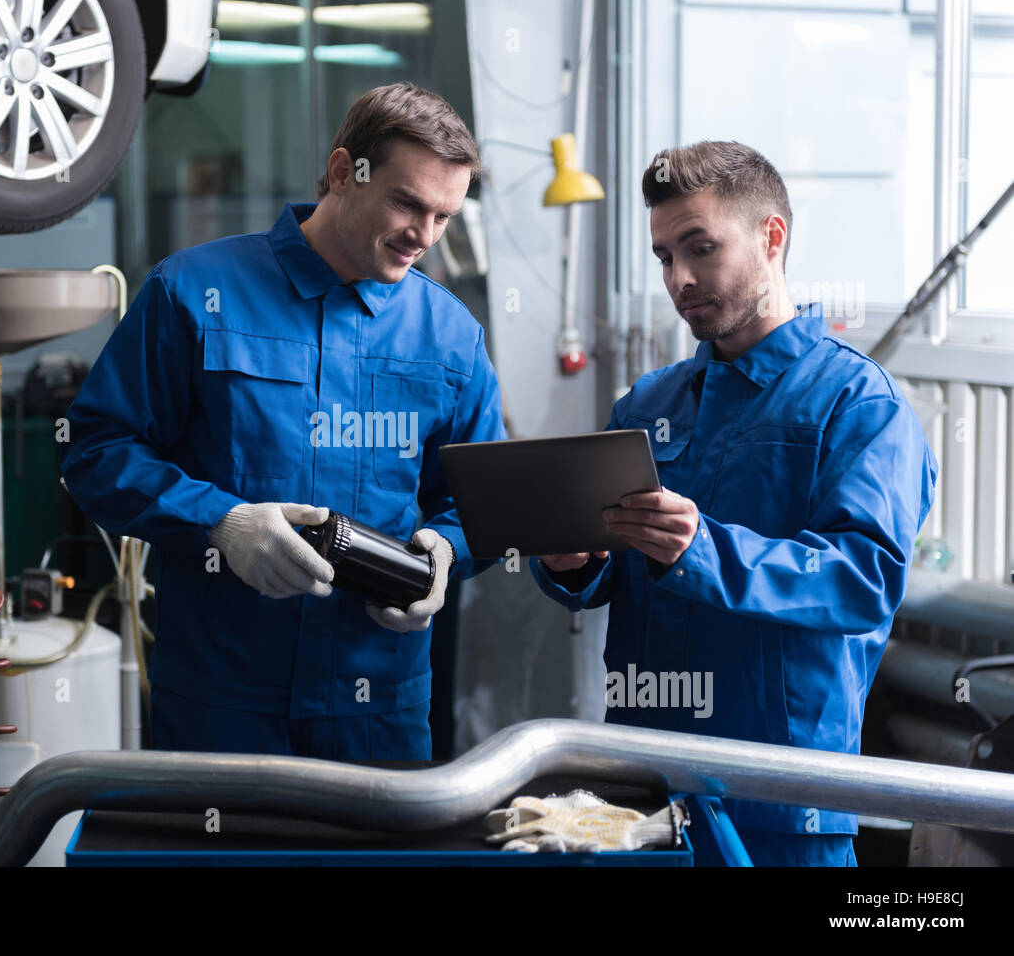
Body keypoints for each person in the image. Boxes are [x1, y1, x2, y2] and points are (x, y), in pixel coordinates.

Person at [59, 83, 505, 762]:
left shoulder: (451, 336)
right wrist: (219, 520)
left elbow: (481, 501)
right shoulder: (193, 293)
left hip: (376, 705)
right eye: (408, 203)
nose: (425, 236)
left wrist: (443, 553)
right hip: (220, 702)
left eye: (444, 215)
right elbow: (96, 450)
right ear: (339, 172)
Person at [533, 141, 937, 867]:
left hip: (782, 808)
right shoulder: (646, 405)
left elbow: (863, 581)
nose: (679, 278)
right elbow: (608, 570)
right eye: (663, 256)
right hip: (642, 789)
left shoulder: (859, 406)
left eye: (700, 248)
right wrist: (572, 564)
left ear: (771, 237)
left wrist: (704, 549)